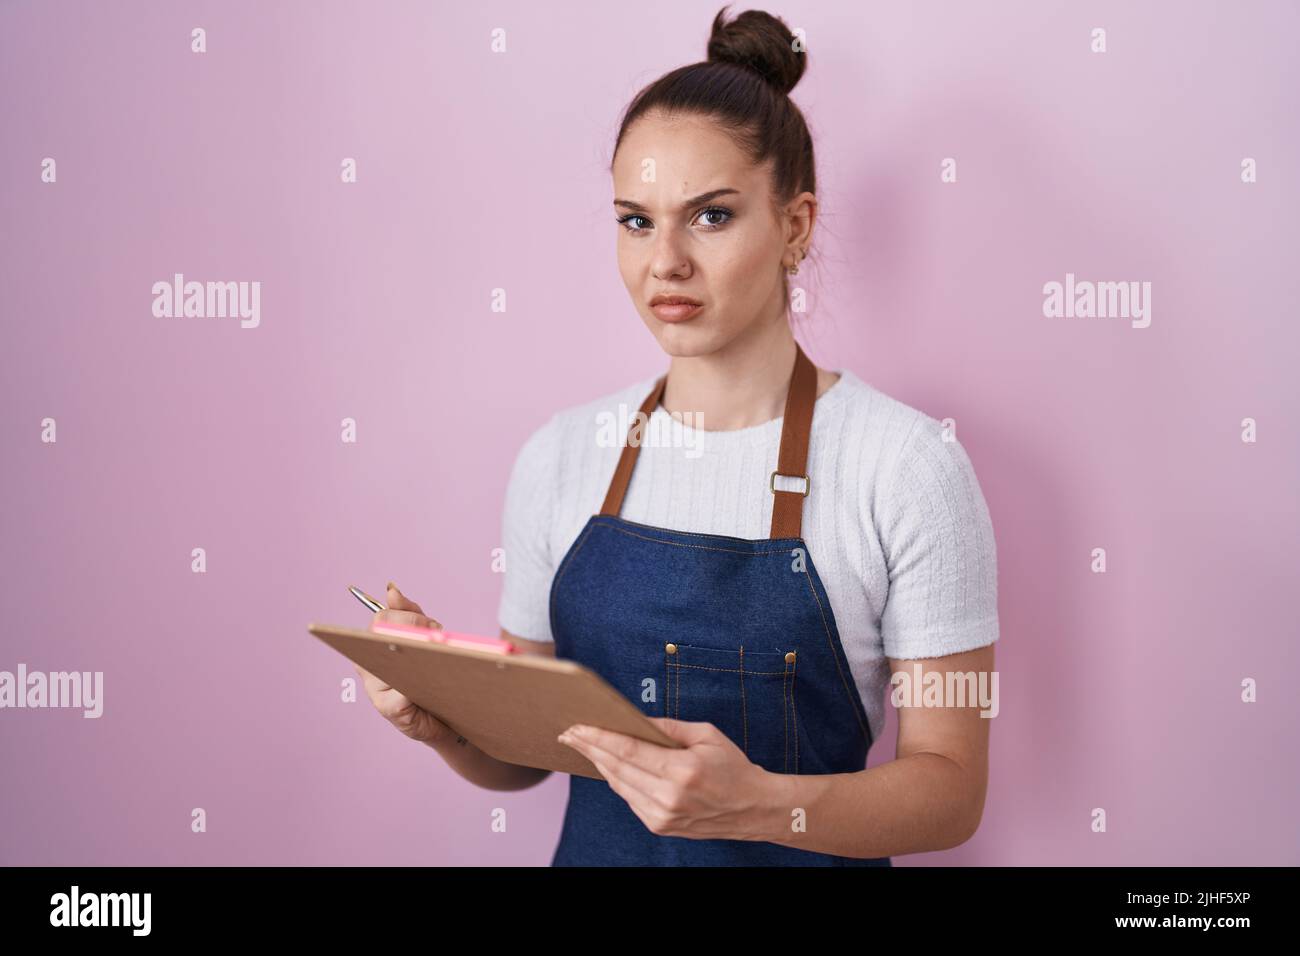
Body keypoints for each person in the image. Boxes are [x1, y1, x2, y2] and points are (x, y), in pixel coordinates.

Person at [359, 5, 999, 866]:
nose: (665, 261)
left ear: (796, 227)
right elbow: (526, 759)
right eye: (635, 220)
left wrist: (763, 807)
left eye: (710, 216)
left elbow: (951, 790)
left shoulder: (908, 469)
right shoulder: (560, 457)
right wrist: (441, 718)